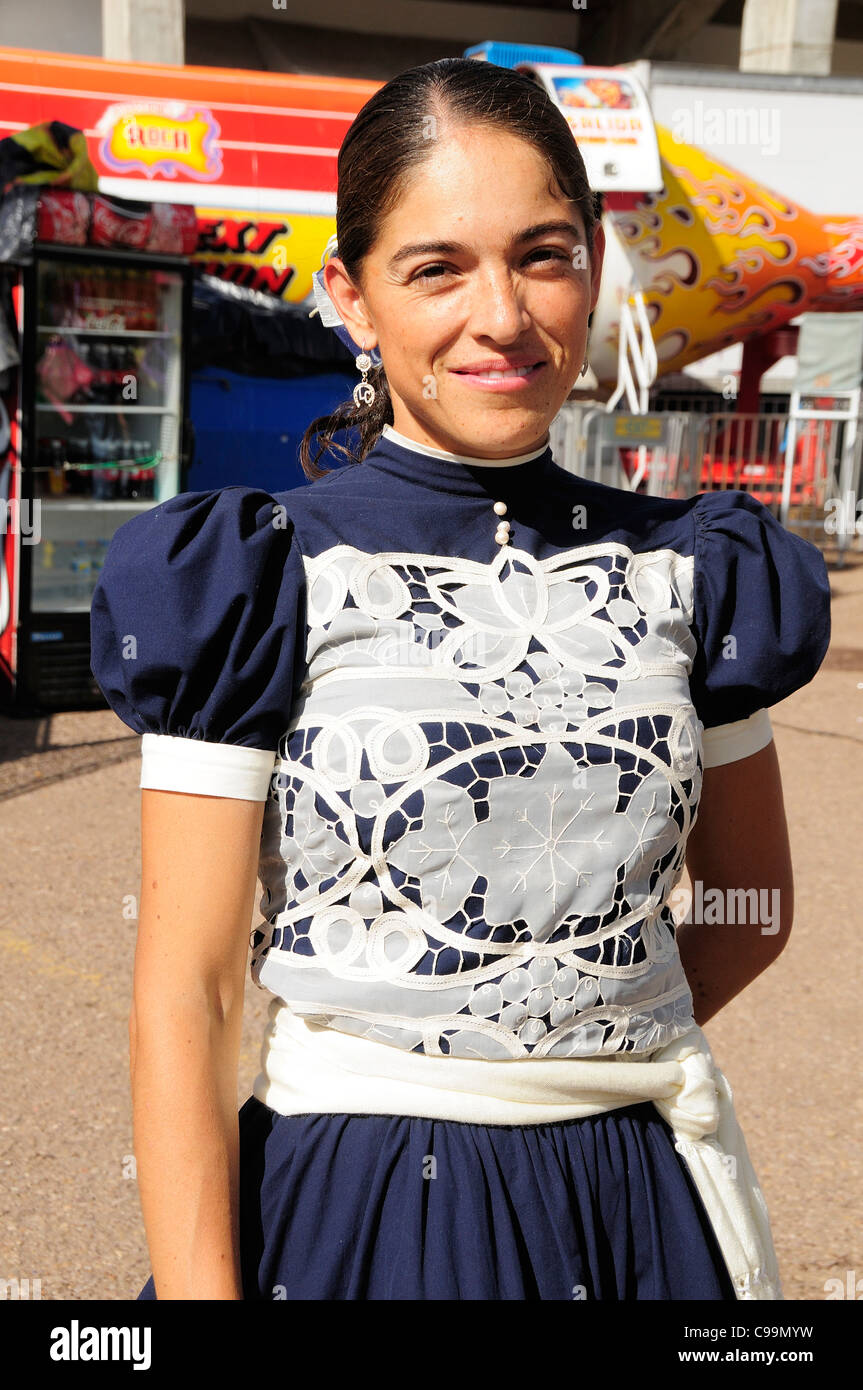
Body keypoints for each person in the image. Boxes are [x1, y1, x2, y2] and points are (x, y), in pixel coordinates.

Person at [89, 58, 831, 1302]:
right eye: (436, 267)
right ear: (352, 296)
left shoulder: (696, 568)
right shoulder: (253, 575)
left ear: (591, 266)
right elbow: (190, 993)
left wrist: (575, 1045)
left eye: (541, 254)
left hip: (638, 1200)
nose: (501, 315)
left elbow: (750, 902)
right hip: (357, 1204)